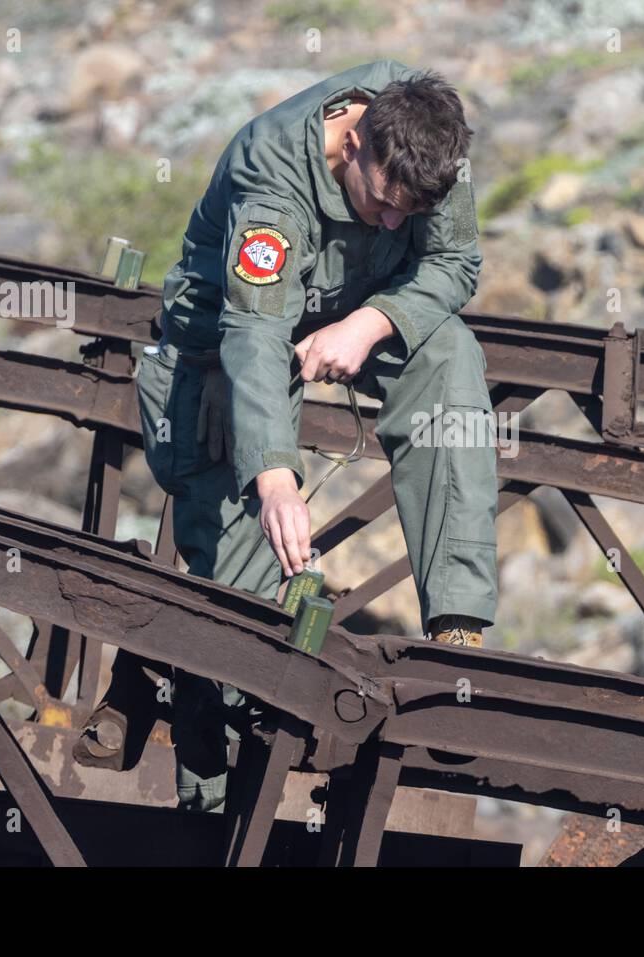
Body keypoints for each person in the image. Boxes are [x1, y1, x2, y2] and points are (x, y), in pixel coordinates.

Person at [134, 60, 499, 812]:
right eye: (384, 203)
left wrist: (370, 323)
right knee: (234, 605)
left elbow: (456, 261)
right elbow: (256, 332)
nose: (394, 221)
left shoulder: (429, 139)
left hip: (348, 310)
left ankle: (458, 624)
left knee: (449, 350)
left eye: (409, 212)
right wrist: (274, 475)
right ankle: (207, 814)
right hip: (228, 346)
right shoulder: (272, 174)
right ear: (354, 142)